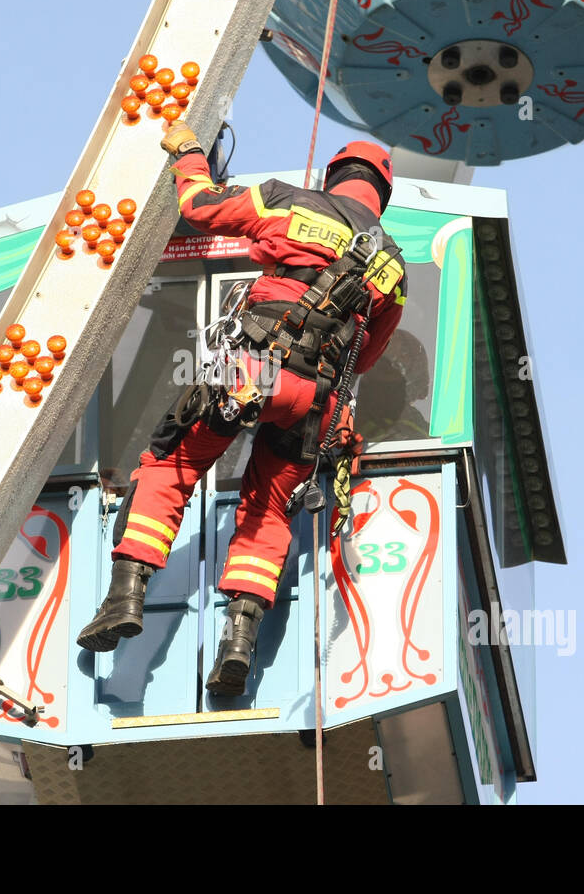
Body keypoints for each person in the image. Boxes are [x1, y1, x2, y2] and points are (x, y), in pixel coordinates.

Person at [76, 123, 407, 697]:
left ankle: (123, 598)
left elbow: (200, 208)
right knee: (270, 513)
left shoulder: (287, 199)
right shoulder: (394, 270)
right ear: (381, 194)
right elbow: (366, 356)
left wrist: (187, 154)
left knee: (168, 467)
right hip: (318, 403)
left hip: (251, 368)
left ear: (333, 177)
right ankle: (238, 645)